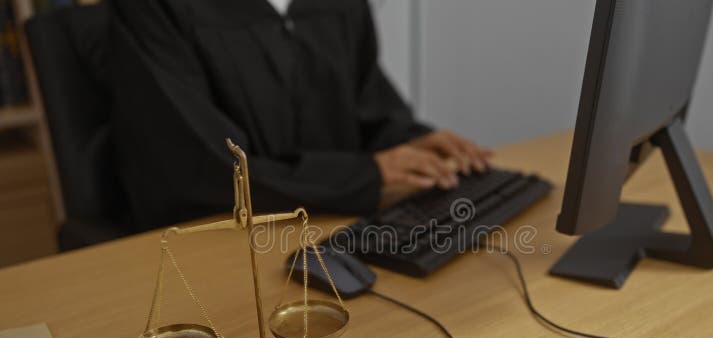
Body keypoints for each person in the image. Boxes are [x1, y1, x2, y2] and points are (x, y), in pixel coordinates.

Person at [110, 0, 490, 230]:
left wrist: (408, 141)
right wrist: (367, 174)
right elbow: (200, 168)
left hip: (333, 227)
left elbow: (368, 104)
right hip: (223, 240)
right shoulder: (156, 7)